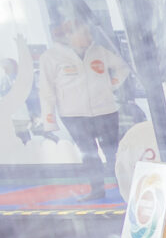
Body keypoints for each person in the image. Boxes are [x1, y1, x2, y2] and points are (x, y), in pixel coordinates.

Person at [40, 19, 126, 200]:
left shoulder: (100, 51)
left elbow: (122, 66)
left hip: (106, 110)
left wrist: (112, 84)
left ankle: (125, 186)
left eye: (89, 32)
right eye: (84, 33)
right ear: (69, 35)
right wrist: (49, 120)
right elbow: (46, 89)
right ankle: (97, 190)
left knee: (113, 151)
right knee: (89, 154)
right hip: (74, 114)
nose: (89, 36)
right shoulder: (51, 57)